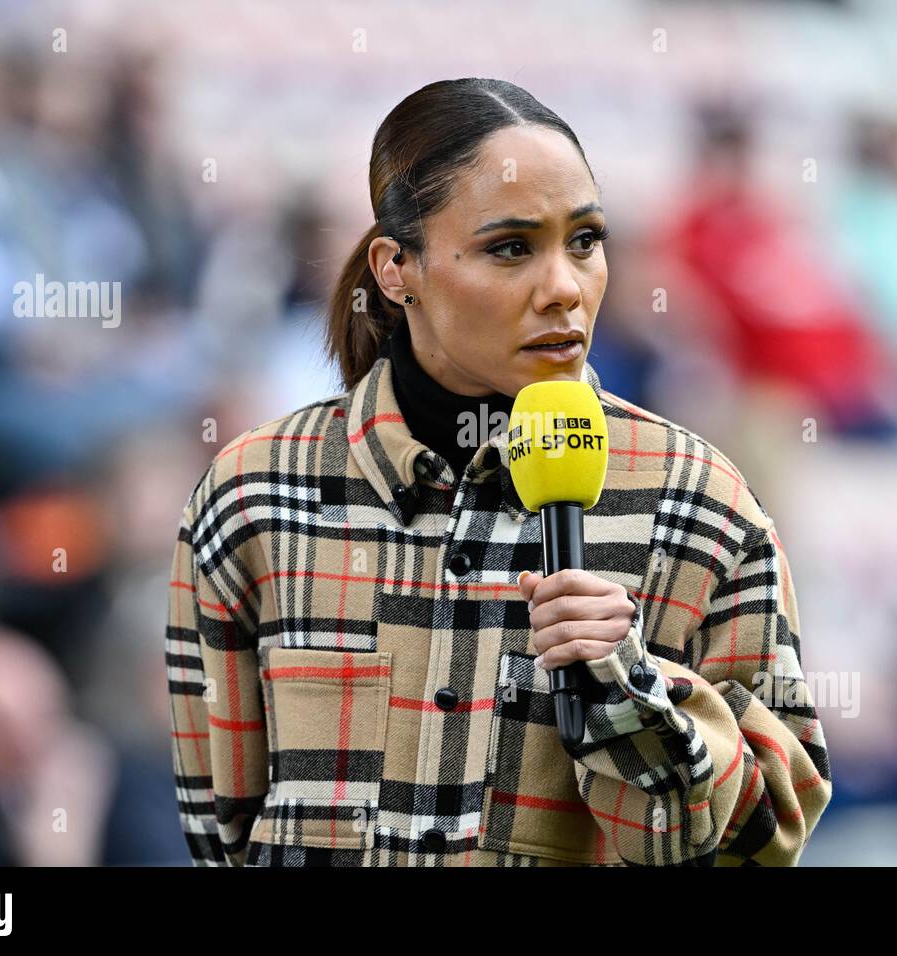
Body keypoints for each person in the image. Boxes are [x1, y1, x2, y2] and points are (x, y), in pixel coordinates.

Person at [165, 77, 832, 866]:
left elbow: (768, 842)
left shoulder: (702, 504)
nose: (564, 289)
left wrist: (632, 688)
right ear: (394, 269)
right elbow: (222, 834)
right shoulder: (254, 496)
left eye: (585, 240)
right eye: (511, 248)